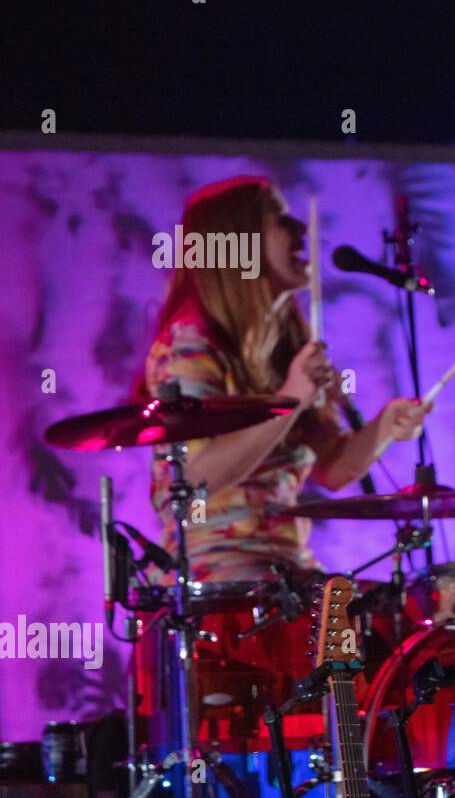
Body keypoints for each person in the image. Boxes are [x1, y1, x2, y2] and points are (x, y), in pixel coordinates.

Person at [134, 175, 430, 584]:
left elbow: (332, 468)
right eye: (280, 219)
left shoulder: (287, 348)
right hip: (221, 583)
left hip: (288, 571)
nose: (302, 230)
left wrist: (384, 427)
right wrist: (291, 399)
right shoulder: (189, 345)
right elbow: (192, 484)